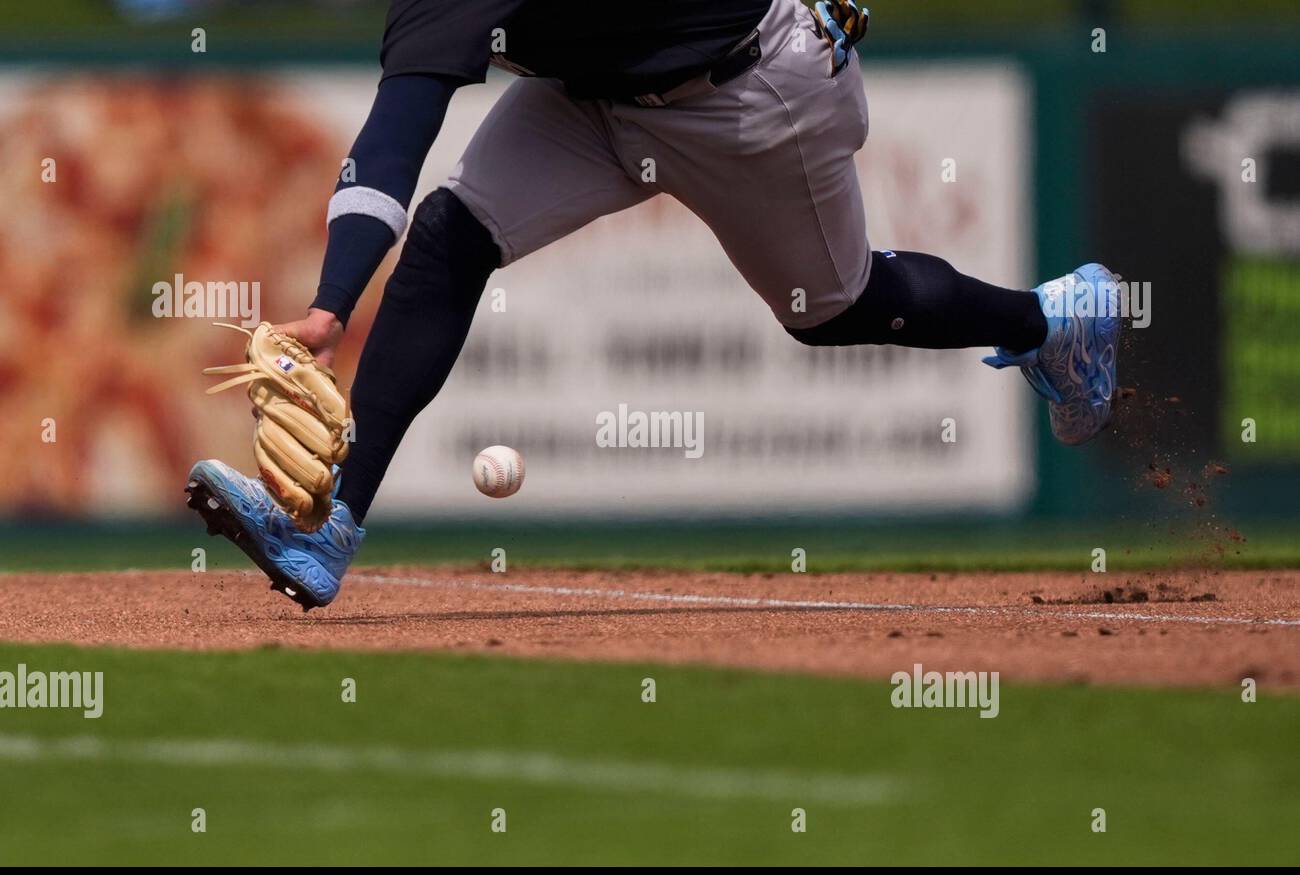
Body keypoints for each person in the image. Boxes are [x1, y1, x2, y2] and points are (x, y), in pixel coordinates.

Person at [187, 0, 1120, 610]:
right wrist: (333, 303)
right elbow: (396, 136)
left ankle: (1050, 320)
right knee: (449, 235)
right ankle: (329, 532)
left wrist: (332, 305)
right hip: (595, 101)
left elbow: (397, 131)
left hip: (751, 89)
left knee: (832, 307)